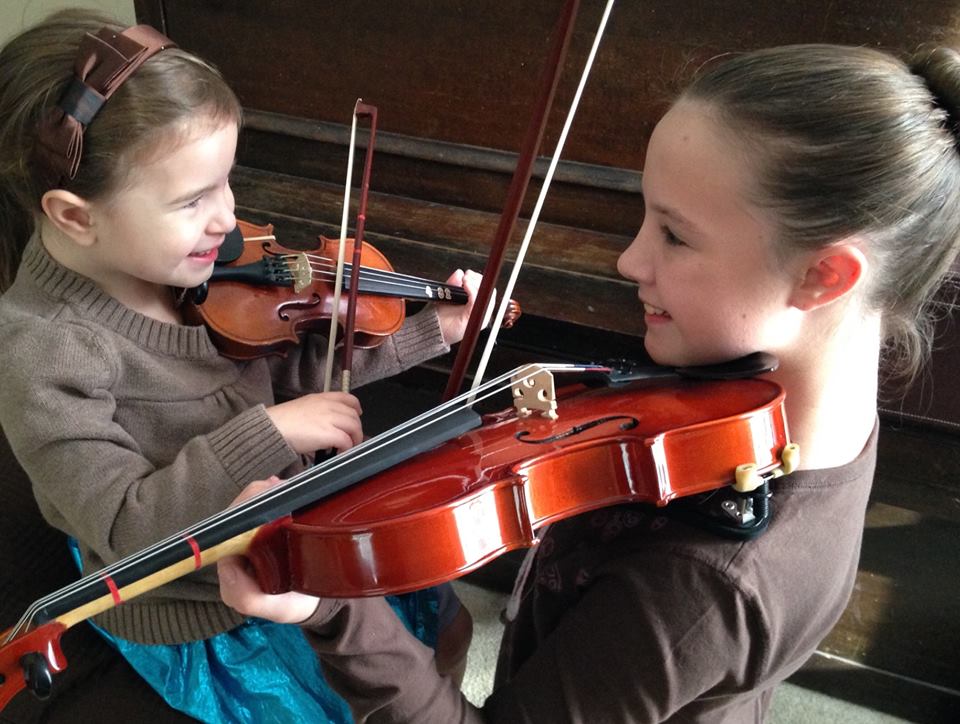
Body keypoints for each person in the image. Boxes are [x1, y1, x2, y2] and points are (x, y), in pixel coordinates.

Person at [217, 42, 960, 722]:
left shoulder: (706, 584)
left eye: (673, 234)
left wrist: (330, 610)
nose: (629, 262)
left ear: (823, 275)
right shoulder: (798, 405)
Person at [0, 9, 480, 723]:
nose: (227, 219)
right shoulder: (43, 350)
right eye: (194, 199)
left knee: (438, 628)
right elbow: (127, 530)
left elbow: (281, 368)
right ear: (75, 217)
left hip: (287, 535)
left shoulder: (179, 261)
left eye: (227, 181)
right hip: (201, 606)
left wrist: (425, 333)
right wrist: (273, 430)